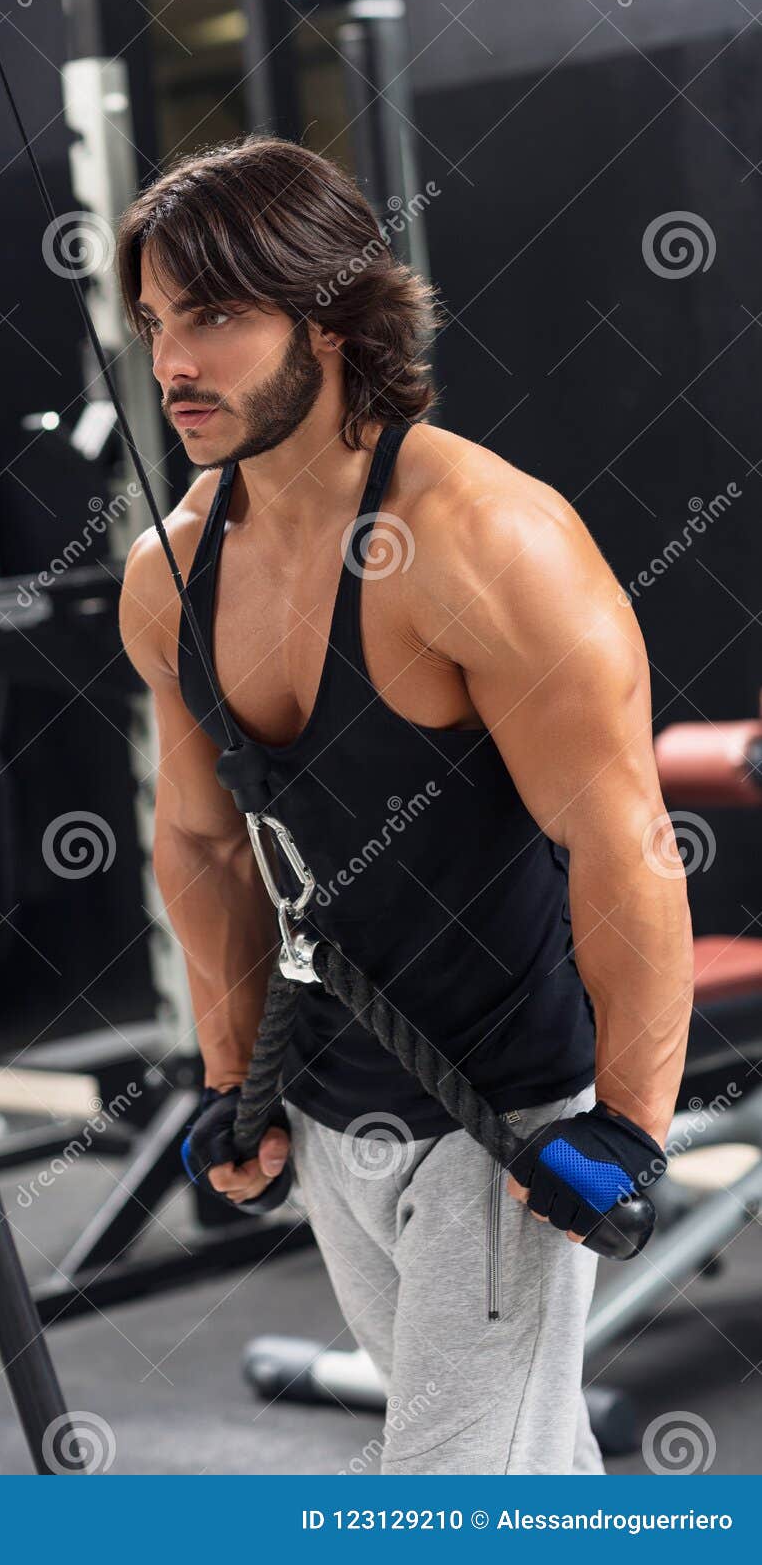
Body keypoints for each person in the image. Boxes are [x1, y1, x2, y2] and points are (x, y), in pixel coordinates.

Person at [116, 135, 694, 1474]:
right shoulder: (173, 573)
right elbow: (204, 836)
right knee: (525, 1480)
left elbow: (626, 842)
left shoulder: (484, 540)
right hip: (328, 1108)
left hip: (504, 1122)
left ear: (329, 321)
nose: (171, 365)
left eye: (213, 316)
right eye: (154, 323)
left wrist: (630, 1127)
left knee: (446, 1498)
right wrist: (228, 1068)